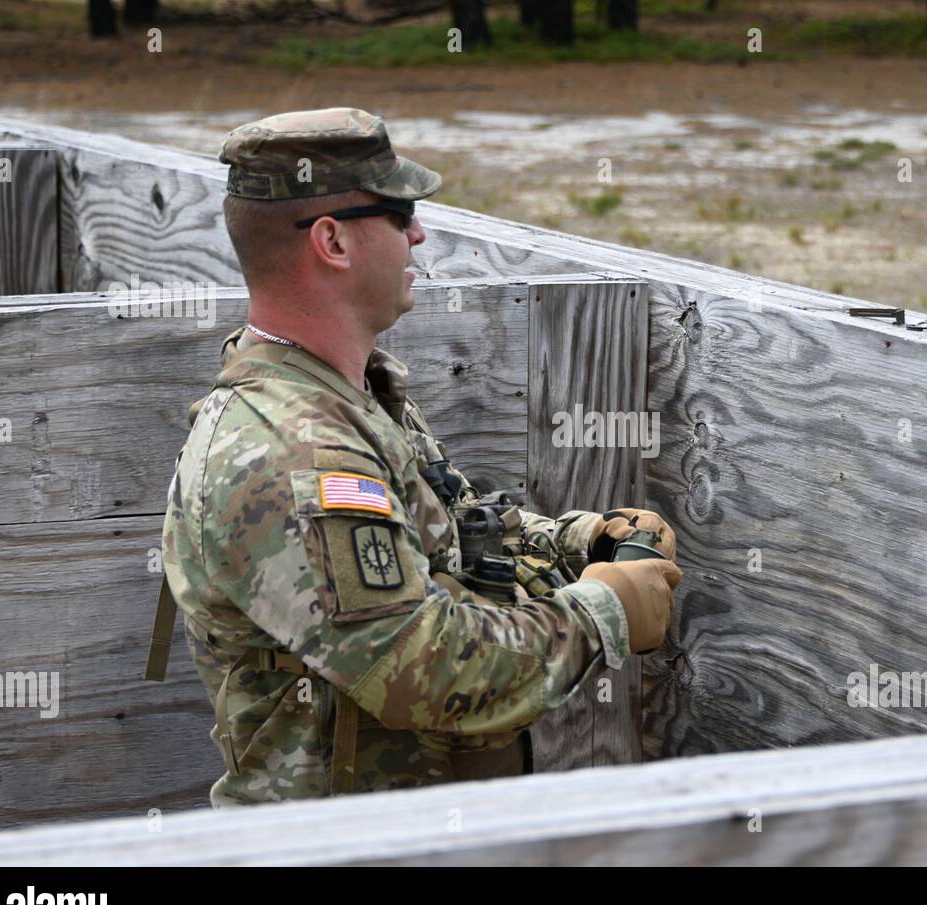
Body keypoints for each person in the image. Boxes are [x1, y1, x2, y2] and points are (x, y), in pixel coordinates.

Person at [148, 107, 683, 806]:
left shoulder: (351, 394)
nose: (420, 233)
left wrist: (581, 541)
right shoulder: (292, 453)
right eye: (399, 213)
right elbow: (425, 669)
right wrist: (603, 614)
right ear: (333, 241)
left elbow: (447, 528)